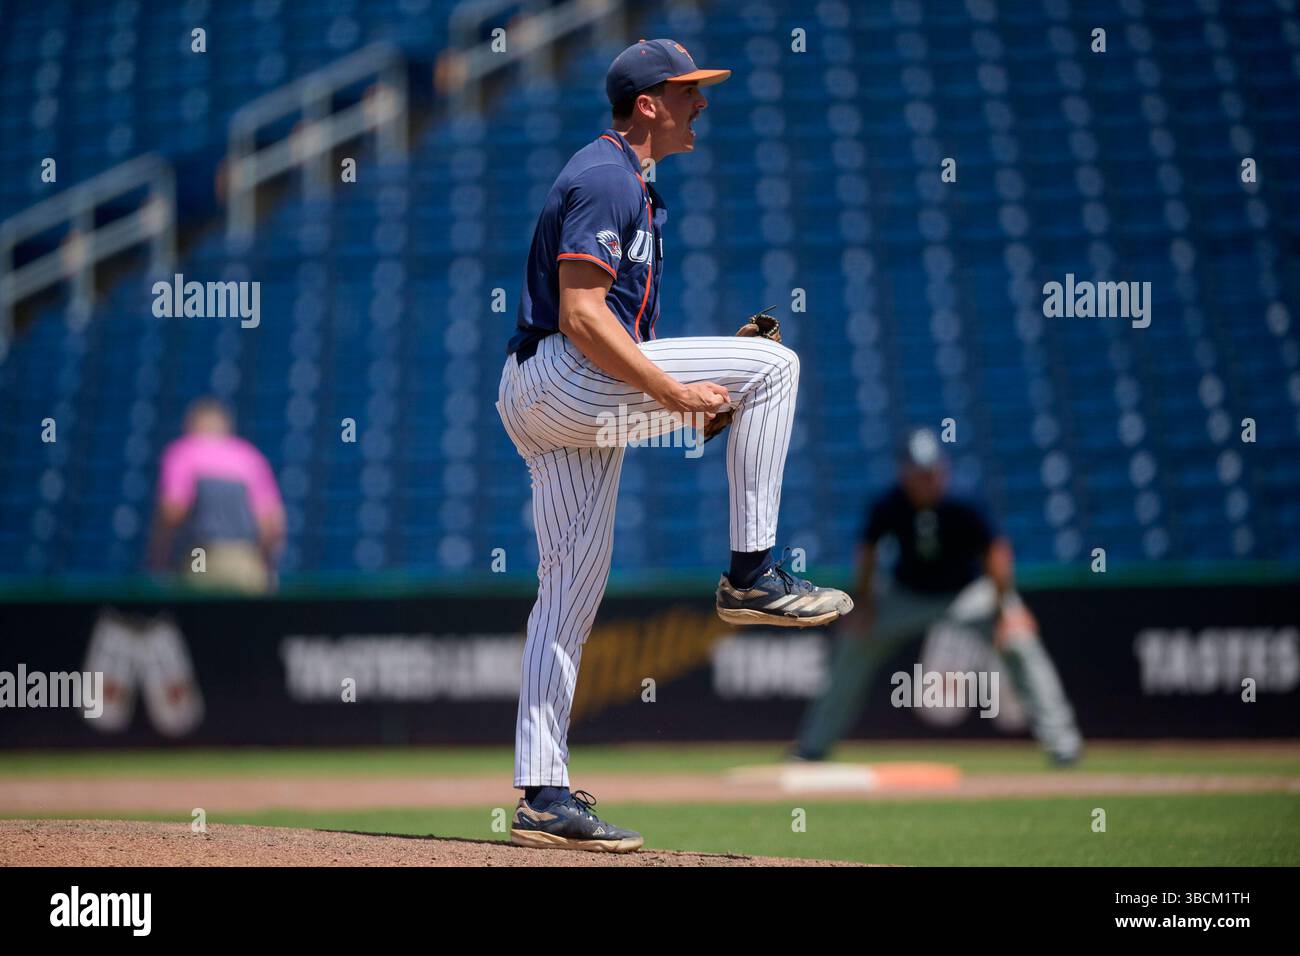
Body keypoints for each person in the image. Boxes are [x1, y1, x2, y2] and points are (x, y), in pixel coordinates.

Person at [496, 39, 853, 853]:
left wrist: (685, 404)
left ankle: (543, 796)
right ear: (648, 102)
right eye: (688, 90)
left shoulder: (636, 186)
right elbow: (585, 317)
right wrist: (672, 394)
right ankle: (751, 574)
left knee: (570, 592)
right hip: (562, 372)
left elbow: (613, 338)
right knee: (773, 364)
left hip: (550, 397)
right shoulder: (607, 175)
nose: (702, 102)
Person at [792, 427, 1083, 765]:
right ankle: (813, 746)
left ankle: (1064, 745)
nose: (926, 480)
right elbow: (867, 555)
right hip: (906, 595)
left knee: (1019, 640)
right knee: (854, 643)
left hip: (967, 594)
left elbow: (996, 554)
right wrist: (865, 606)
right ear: (905, 473)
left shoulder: (964, 500)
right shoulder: (888, 503)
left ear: (942, 470)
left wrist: (1007, 609)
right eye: (918, 473)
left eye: (931, 472)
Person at [147, 397, 285, 594]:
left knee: (201, 620)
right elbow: (273, 524)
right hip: (245, 560)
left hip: (200, 554)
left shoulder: (184, 451)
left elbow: (172, 511)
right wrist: (262, 564)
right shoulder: (249, 456)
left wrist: (159, 557)